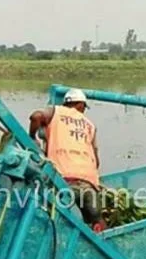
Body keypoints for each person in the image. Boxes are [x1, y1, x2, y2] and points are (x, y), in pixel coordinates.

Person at [29, 88, 105, 231]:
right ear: (81, 105)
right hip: (88, 182)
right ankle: (105, 243)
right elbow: (96, 158)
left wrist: (32, 137)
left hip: (62, 179)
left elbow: (35, 117)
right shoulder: (90, 125)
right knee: (96, 220)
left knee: (52, 222)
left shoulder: (56, 112)